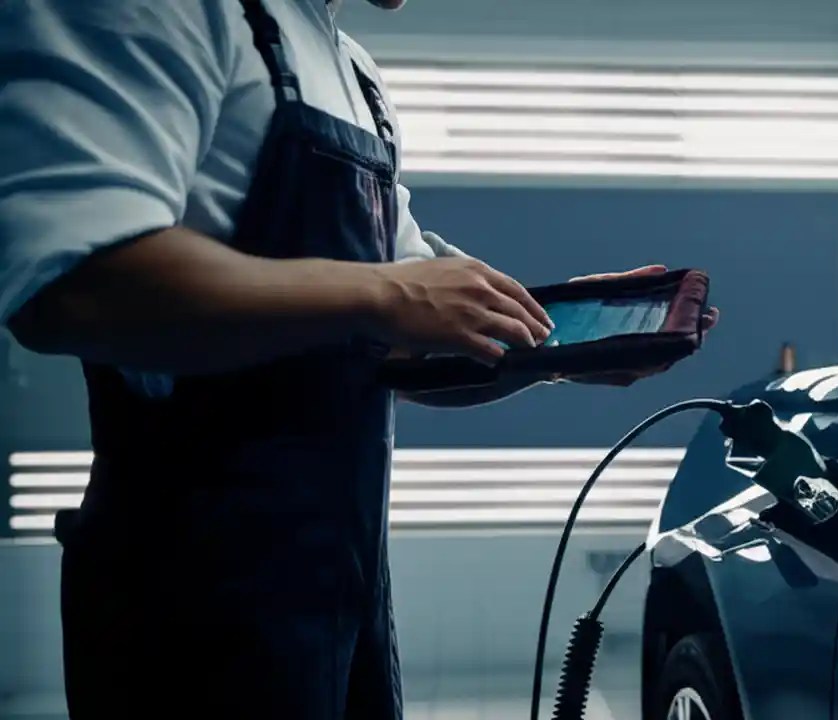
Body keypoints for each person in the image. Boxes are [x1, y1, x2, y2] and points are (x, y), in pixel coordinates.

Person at [0, 1, 715, 717]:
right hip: (184, 604)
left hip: (345, 598)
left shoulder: (355, 75)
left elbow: (402, 341)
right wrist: (382, 292)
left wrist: (548, 353)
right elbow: (72, 281)